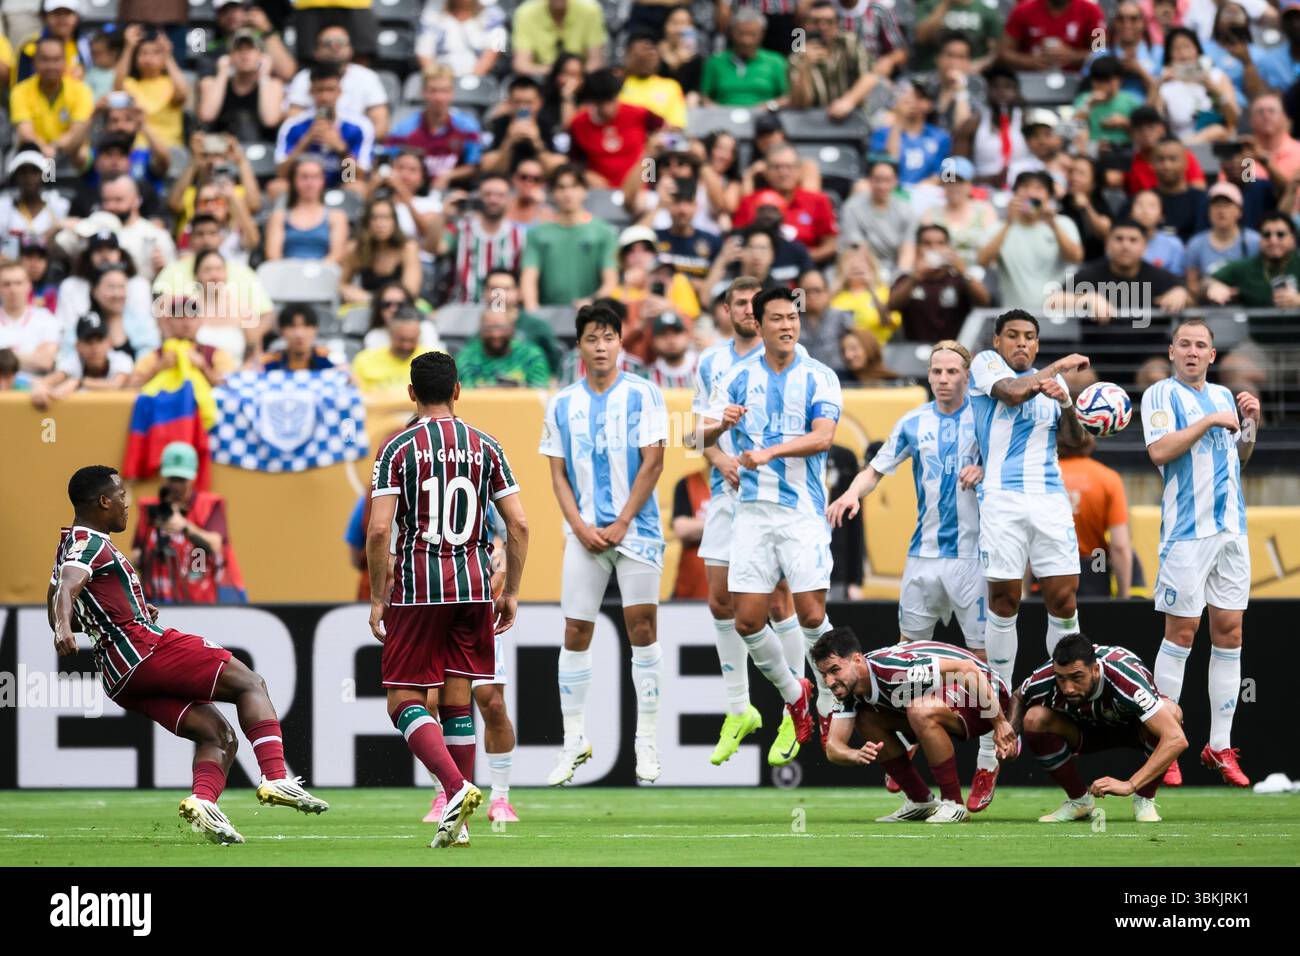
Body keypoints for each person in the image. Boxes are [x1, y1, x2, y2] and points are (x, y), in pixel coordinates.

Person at [50, 465, 327, 845]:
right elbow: (68, 588)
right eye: (121, 497)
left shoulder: (69, 543)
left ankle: (202, 803)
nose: (126, 506)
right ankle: (276, 776)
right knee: (250, 683)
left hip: (118, 674)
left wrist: (116, 612)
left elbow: (63, 597)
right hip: (142, 650)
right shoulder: (90, 541)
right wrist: (65, 629)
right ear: (103, 501)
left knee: (218, 734)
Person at [827, 341, 1012, 811]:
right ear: (928, 375)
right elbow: (875, 469)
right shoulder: (913, 422)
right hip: (923, 558)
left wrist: (986, 467)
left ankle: (988, 761)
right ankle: (910, 734)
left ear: (968, 375)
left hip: (972, 557)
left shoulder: (986, 417)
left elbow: (1016, 467)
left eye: (952, 370)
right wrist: (852, 494)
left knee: (979, 658)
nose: (944, 378)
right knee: (908, 651)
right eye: (936, 370)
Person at [367, 351, 529, 847]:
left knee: (402, 701)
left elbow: (378, 530)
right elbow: (519, 524)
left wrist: (379, 597)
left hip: (419, 589)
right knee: (459, 698)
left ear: (411, 394)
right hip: (476, 586)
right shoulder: (488, 446)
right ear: (458, 390)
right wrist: (514, 591)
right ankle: (457, 826)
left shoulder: (396, 448)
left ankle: (455, 788)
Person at [540, 303, 669, 786]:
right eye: (592, 339)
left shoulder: (644, 395)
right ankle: (574, 739)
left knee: (642, 628)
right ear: (579, 346)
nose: (601, 347)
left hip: (636, 531)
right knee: (575, 631)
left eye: (609, 338)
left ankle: (646, 741)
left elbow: (653, 464)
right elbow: (556, 474)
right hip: (583, 534)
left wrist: (622, 522)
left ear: (621, 343)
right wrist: (579, 525)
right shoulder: (562, 402)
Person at [702, 286, 837, 739]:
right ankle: (795, 695)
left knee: (812, 614)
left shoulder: (819, 376)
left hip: (801, 511)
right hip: (752, 514)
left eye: (792, 318)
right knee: (745, 620)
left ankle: (833, 699)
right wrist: (722, 424)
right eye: (777, 319)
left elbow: (823, 437)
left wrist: (769, 452)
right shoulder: (737, 376)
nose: (787, 326)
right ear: (758, 326)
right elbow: (694, 436)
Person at [688, 277, 808, 765]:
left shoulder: (789, 361)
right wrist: (720, 458)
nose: (746, 311)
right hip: (725, 494)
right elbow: (694, 434)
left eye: (752, 305)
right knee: (719, 598)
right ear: (727, 310)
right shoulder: (713, 363)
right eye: (737, 303)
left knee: (776, 600)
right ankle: (739, 708)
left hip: (774, 500)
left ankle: (791, 706)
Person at [1142, 317, 1259, 788]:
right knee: (1182, 633)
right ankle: (1165, 741)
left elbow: (1239, 458)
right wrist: (1210, 420)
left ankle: (1219, 744)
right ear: (1172, 351)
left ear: (1213, 355)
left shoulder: (1224, 396)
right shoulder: (1160, 395)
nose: (1192, 352)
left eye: (1201, 346)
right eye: (1185, 344)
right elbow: (1159, 451)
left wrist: (1247, 425)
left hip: (1232, 529)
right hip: (1187, 534)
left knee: (1229, 632)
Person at [967, 310, 1091, 700]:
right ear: (998, 341)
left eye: (1030, 337)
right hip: (1002, 499)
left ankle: (1066, 690)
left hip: (1050, 499)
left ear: (1037, 344)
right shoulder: (986, 366)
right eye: (1013, 335)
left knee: (1063, 598)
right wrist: (1055, 372)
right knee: (1004, 600)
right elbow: (1012, 392)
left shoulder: (1049, 387)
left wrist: (1067, 402)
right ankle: (1001, 697)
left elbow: (1077, 442)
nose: (1022, 343)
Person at [813, 627, 1016, 824]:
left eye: (835, 670)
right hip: (946, 693)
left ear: (857, 660)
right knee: (866, 718)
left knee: (919, 710)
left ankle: (954, 804)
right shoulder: (847, 689)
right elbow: (833, 747)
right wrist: (854, 755)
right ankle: (920, 801)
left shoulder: (894, 671)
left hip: (985, 693)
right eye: (824, 675)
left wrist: (1000, 723)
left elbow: (967, 669)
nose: (830, 681)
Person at [1011, 633, 1186, 823]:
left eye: (1077, 677)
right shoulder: (1046, 677)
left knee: (1171, 712)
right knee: (1034, 718)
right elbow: (1019, 696)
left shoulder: (1125, 677)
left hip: (1135, 730)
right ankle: (1079, 801)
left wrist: (1130, 785)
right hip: (1083, 732)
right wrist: (1010, 734)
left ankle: (1144, 798)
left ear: (1095, 669)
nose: (1068, 688)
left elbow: (1177, 739)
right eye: (1061, 678)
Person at [131, 441, 245, 606]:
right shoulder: (150, 509)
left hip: (199, 604)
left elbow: (216, 545)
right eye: (172, 478)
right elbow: (137, 553)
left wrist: (184, 527)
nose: (176, 486)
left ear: (194, 477)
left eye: (181, 479)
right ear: (162, 476)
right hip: (156, 602)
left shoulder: (209, 505)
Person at [977, 171, 1084, 313]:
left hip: (1055, 314)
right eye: (1025, 187)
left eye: (1039, 189)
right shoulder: (998, 228)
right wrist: (1009, 222)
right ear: (1015, 194)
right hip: (1013, 316)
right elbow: (982, 261)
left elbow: (1076, 258)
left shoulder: (1063, 223)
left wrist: (1053, 225)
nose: (1031, 193)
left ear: (1049, 196)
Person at [519, 165, 618, 309]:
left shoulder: (604, 232)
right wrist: (533, 313)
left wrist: (591, 302)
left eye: (574, 186)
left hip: (591, 317)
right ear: (552, 193)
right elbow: (528, 278)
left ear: (585, 191)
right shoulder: (537, 233)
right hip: (547, 318)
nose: (568, 193)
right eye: (561, 187)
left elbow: (610, 282)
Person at [1064, 218, 1192, 322]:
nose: (1125, 246)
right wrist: (1088, 298)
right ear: (1108, 244)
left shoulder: (1160, 277)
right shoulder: (1090, 274)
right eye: (1119, 239)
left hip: (1150, 351)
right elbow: (1052, 302)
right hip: (1096, 351)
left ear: (1144, 247)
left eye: (1133, 240)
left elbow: (1194, 300)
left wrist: (1182, 294)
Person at [273, 63, 375, 190]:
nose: (325, 97)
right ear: (311, 92)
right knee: (278, 187)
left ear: (339, 91)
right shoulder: (293, 125)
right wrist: (305, 142)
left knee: (356, 187)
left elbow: (358, 176)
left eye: (330, 90)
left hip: (340, 184)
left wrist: (341, 150)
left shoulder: (358, 126)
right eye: (319, 90)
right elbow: (282, 173)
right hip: (304, 187)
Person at [430, 173, 528, 305]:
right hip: (462, 306)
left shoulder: (520, 236)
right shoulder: (462, 228)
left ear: (510, 199)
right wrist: (443, 215)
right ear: (478, 197)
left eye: (500, 195)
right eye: (487, 194)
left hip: (500, 308)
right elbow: (434, 248)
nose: (493, 200)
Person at [1058, 430, 1133, 600]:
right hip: (1095, 566)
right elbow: (1120, 546)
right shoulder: (1108, 479)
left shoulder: (1043, 477)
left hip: (1050, 569)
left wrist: (1024, 594)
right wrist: (1123, 596)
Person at [732, 145, 838, 264]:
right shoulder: (750, 202)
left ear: (799, 171)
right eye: (776, 167)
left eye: (789, 167)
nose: (783, 173)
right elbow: (736, 243)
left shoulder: (818, 201)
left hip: (804, 270)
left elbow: (831, 245)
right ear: (766, 172)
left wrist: (799, 258)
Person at [889, 223, 991, 342]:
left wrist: (963, 271)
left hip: (954, 351)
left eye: (940, 243)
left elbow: (984, 301)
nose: (934, 248)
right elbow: (891, 305)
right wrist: (916, 276)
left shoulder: (958, 279)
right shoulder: (906, 279)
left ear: (949, 248)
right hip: (915, 352)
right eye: (927, 244)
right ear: (917, 249)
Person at [284, 24, 389, 141]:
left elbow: (381, 126)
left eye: (340, 42)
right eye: (328, 43)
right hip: (311, 147)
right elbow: (292, 122)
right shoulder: (303, 78)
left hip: (353, 150)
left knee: (348, 160)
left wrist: (348, 146)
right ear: (316, 51)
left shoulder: (367, 77)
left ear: (351, 49)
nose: (335, 47)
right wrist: (317, 140)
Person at [386, 65, 481, 189]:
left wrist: (449, 176)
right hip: (410, 191)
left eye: (444, 91)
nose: (439, 98)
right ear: (423, 92)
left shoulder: (467, 127)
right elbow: (390, 164)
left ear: (452, 93)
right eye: (433, 91)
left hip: (452, 191)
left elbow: (474, 166)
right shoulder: (403, 130)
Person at [568, 68, 664, 190]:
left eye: (611, 101)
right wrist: (585, 175)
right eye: (601, 103)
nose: (607, 108)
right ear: (591, 102)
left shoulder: (640, 114)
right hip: (600, 193)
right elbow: (574, 162)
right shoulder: (578, 124)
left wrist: (649, 180)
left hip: (638, 190)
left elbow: (662, 135)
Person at [9, 34, 94, 163]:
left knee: (82, 153)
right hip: (34, 153)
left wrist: (54, 147)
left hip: (68, 152)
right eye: (45, 60)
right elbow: (25, 132)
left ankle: (85, 183)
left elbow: (77, 130)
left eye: (56, 60)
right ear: (34, 62)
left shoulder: (81, 90)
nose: (51, 66)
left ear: (65, 61)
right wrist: (44, 148)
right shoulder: (20, 91)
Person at [788, 1, 879, 119]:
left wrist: (848, 101)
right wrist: (804, 66)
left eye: (829, 22)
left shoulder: (848, 43)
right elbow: (799, 103)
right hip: (812, 122)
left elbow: (870, 77)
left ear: (837, 25)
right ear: (806, 26)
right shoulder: (796, 57)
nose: (823, 27)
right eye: (816, 22)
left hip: (851, 117)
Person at [195, 29, 286, 144]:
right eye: (239, 49)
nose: (244, 54)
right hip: (220, 148)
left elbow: (270, 120)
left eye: (250, 49)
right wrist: (222, 74)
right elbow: (207, 116)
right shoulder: (212, 83)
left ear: (261, 56)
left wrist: (264, 76)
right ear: (230, 56)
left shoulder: (273, 85)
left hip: (260, 150)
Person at [29, 312, 132, 409]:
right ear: (78, 346)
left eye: (99, 340)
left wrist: (79, 382)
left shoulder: (121, 359)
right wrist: (40, 388)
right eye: (88, 341)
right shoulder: (72, 361)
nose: (95, 347)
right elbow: (47, 381)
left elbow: (115, 385)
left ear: (109, 342)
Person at [1154, 27, 1238, 143]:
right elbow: (1154, 123)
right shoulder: (1166, 87)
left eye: (1187, 46)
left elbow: (1233, 119)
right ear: (1169, 55)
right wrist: (1159, 83)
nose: (1183, 54)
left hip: (1218, 145)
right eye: (1176, 49)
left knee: (1217, 130)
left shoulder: (1216, 76)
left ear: (1197, 50)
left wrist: (1214, 90)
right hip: (1180, 145)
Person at [113, 24, 190, 149]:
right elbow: (117, 90)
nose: (148, 58)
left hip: (170, 147)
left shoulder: (171, 83)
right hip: (139, 149)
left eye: (156, 53)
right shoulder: (131, 84)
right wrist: (129, 47)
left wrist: (168, 55)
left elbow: (182, 94)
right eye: (143, 53)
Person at [263, 157, 350, 263]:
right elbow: (273, 256)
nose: (310, 183)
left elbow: (337, 254)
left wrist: (312, 272)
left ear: (323, 181)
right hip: (287, 274)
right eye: (304, 177)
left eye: (315, 177)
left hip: (323, 275)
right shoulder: (279, 216)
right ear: (294, 181)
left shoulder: (337, 217)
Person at [839, 158, 917, 274]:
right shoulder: (852, 207)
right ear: (869, 180)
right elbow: (856, 247)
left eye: (887, 180)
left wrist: (901, 276)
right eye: (877, 180)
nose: (882, 186)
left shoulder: (906, 210)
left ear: (895, 181)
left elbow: (908, 247)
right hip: (862, 268)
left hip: (894, 266)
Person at [1204, 211, 1300, 306]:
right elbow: (1207, 280)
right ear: (1260, 239)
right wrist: (1214, 286)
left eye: (1280, 234)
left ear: (1293, 239)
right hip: (1256, 321)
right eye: (1267, 235)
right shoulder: (1246, 267)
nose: (1273, 240)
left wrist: (1298, 300)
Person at [340, 197, 423, 305]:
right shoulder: (356, 248)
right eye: (374, 218)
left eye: (386, 218)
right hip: (368, 311)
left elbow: (411, 292)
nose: (380, 224)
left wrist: (370, 298)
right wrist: (347, 291)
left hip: (402, 309)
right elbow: (340, 284)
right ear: (366, 223)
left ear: (394, 221)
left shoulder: (408, 248)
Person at [700, 8, 789, 108]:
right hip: (722, 119)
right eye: (741, 34)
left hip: (765, 119)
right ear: (732, 33)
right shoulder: (714, 62)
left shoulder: (776, 62)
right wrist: (717, 111)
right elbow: (703, 97)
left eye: (752, 35)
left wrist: (770, 105)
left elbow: (788, 97)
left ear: (762, 34)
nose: (746, 41)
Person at [1184, 182, 1260, 299]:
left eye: (1227, 205)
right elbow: (1192, 285)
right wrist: (1209, 287)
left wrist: (1239, 290)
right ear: (1208, 211)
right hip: (1209, 308)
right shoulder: (1196, 244)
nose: (1221, 211)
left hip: (1246, 307)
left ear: (1239, 211)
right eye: (1216, 205)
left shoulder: (1254, 242)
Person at [869, 80, 951, 187]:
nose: (912, 101)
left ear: (929, 105)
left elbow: (948, 176)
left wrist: (928, 185)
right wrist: (899, 119)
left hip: (926, 195)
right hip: (891, 192)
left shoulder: (942, 137)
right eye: (909, 96)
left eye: (919, 97)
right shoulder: (881, 134)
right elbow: (890, 163)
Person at [479, 76, 568, 174]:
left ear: (539, 103)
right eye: (517, 102)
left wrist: (537, 143)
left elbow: (560, 169)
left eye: (528, 102)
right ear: (508, 102)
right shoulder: (494, 126)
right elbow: (486, 168)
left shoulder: (551, 127)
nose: (523, 108)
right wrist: (508, 143)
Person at [455, 304, 551, 387]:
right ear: (480, 330)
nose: (495, 334)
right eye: (489, 328)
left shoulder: (531, 355)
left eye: (501, 328)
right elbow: (465, 396)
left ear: (512, 328)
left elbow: (539, 392)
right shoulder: (467, 357)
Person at [1000, 0, 1106, 72]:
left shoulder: (1093, 11)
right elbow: (1004, 52)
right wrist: (1030, 61)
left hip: (1077, 82)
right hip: (1031, 81)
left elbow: (1101, 51)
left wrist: (1072, 56)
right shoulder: (1022, 10)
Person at [510, 0, 608, 79]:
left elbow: (596, 62)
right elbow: (521, 65)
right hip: (543, 83)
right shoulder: (526, 12)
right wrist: (557, 73)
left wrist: (575, 77)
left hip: (582, 82)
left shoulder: (590, 10)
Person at [0, 151, 69, 260]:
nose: (28, 178)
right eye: (23, 172)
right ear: (16, 177)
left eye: (34, 172)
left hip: (50, 268)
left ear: (43, 175)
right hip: (11, 269)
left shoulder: (58, 205)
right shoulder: (4, 207)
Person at [416, 0, 508, 78]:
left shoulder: (494, 12)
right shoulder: (432, 10)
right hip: (440, 76)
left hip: (477, 77)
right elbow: (424, 53)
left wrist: (469, 81)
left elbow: (495, 49)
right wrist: (439, 80)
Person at [352, 307, 436, 391]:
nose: (406, 346)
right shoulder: (364, 361)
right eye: (402, 339)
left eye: (412, 340)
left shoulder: (435, 361)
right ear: (390, 335)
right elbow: (359, 398)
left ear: (419, 336)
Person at [618, 29, 687, 130]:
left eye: (652, 50)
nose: (648, 56)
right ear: (629, 55)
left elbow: (678, 129)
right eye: (642, 51)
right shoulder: (615, 85)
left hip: (660, 141)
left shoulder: (670, 87)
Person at [0, 257, 60, 373]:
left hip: (35, 389)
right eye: (6, 284)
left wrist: (3, 357)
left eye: (18, 283)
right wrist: (31, 357)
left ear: (29, 285)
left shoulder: (45, 318)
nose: (13, 289)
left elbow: (45, 361)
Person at [1072, 55, 1144, 150]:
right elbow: (1073, 127)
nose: (1102, 85)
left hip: (1125, 149)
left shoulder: (1131, 101)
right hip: (1093, 150)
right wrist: (1089, 105)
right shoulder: (1085, 99)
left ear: (1119, 80)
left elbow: (1144, 135)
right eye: (1098, 81)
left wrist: (1125, 123)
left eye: (1107, 81)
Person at [915, 0, 1003, 73]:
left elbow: (996, 51)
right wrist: (945, 4)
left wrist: (979, 66)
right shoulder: (928, 5)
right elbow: (922, 38)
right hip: (931, 71)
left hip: (972, 75)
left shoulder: (985, 10)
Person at [797, 268, 856, 368]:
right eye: (807, 291)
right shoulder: (791, 321)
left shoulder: (842, 318)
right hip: (802, 379)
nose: (812, 296)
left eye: (817, 290)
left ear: (827, 292)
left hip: (839, 378)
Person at [670, 466, 712, 600]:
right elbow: (681, 529)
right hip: (692, 589)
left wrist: (699, 528)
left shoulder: (745, 482)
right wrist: (726, 525)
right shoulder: (687, 483)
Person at [261, 304, 338, 371]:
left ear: (315, 330)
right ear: (281, 331)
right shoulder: (267, 364)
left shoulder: (330, 360)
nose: (299, 334)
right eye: (292, 326)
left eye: (306, 326)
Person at [644, 312, 698, 389]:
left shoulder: (705, 367)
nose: (670, 340)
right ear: (653, 341)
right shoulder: (647, 379)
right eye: (663, 334)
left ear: (688, 335)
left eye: (676, 332)